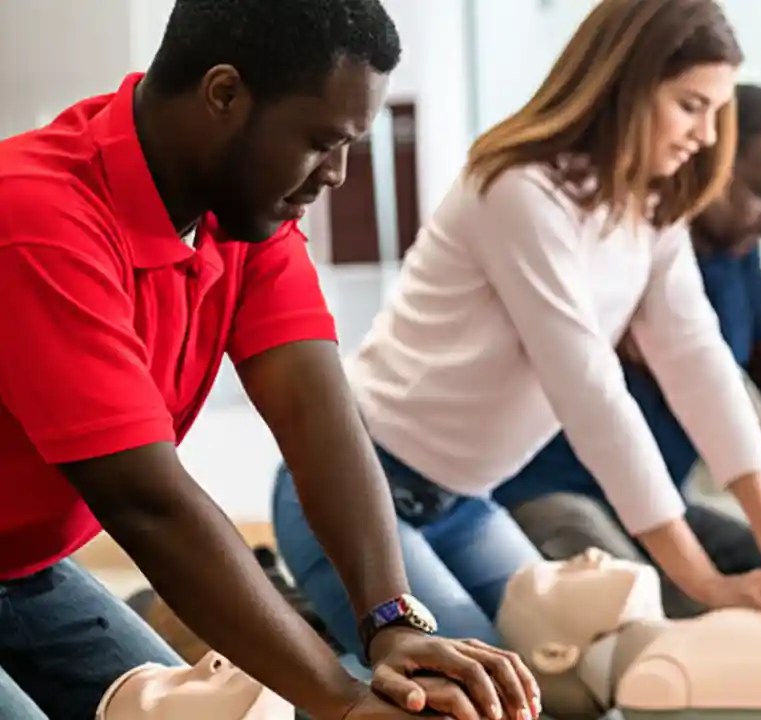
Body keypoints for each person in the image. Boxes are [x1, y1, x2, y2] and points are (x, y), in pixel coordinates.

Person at [0, 2, 540, 720]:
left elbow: (318, 418)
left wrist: (391, 622)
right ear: (224, 93)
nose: (339, 174)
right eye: (322, 141)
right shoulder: (37, 220)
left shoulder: (246, 213)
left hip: (24, 568)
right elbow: (147, 504)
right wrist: (342, 702)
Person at [272, 0, 761, 659]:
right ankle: (280, 641)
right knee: (472, 680)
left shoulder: (651, 210)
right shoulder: (518, 190)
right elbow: (591, 394)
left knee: (577, 668)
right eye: (692, 106)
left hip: (464, 504)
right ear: (627, 86)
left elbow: (699, 361)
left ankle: (307, 617)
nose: (707, 134)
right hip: (353, 487)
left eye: (716, 112)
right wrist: (704, 582)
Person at [492, 83, 761, 618]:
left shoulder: (736, 254)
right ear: (706, 166)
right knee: (655, 611)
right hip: (555, 494)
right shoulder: (634, 255)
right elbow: (741, 431)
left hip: (663, 508)